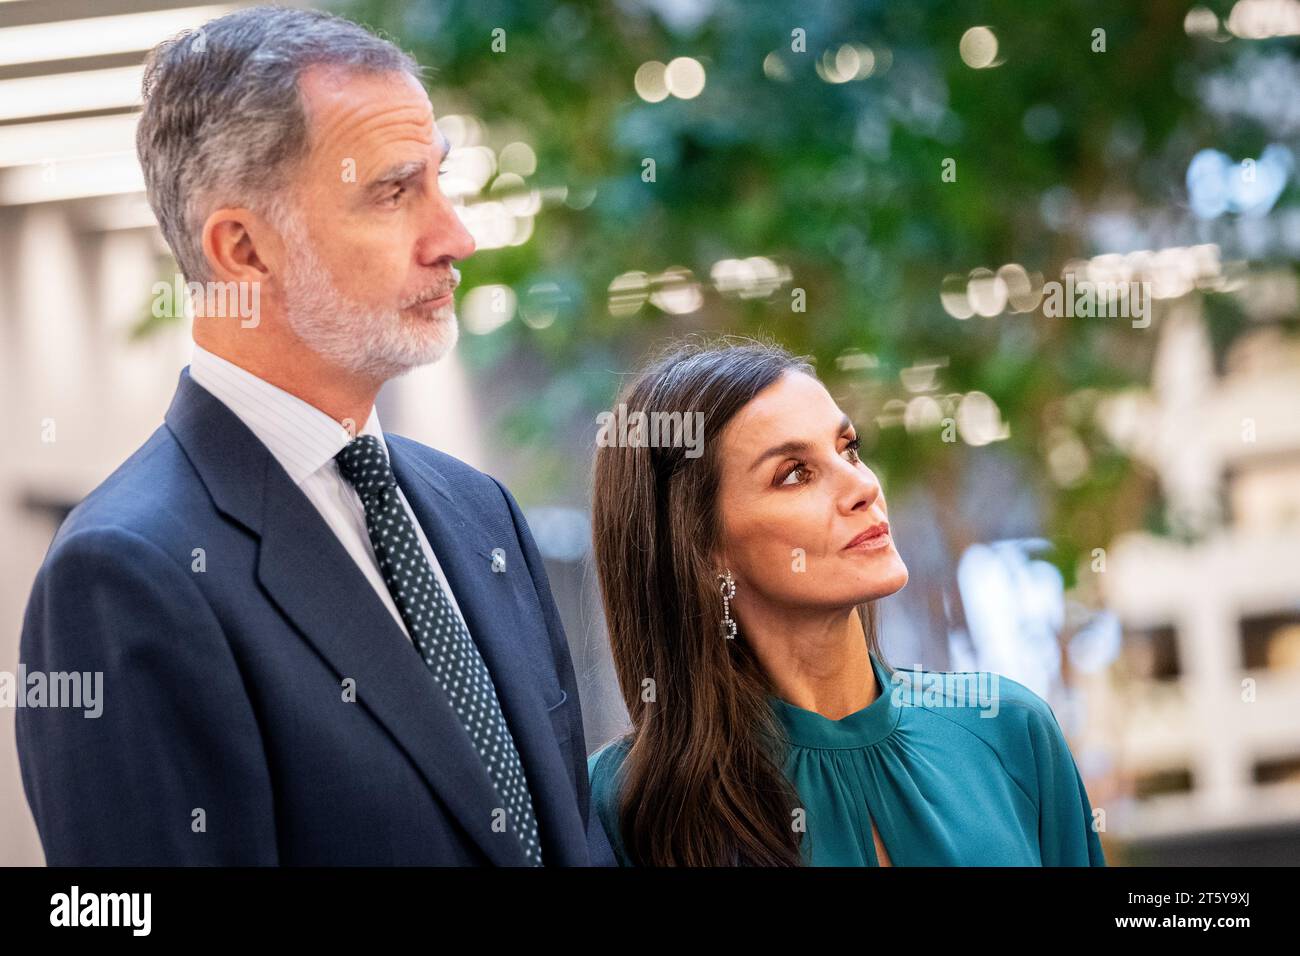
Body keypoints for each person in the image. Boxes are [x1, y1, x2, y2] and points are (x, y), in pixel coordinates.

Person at [16, 6, 613, 867]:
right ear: (245, 251)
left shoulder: (479, 512)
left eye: (441, 182)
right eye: (395, 191)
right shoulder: (125, 573)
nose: (456, 237)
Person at [586, 338, 1107, 866]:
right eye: (794, 473)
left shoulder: (1009, 728)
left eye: (848, 448)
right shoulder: (624, 802)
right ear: (703, 548)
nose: (861, 485)